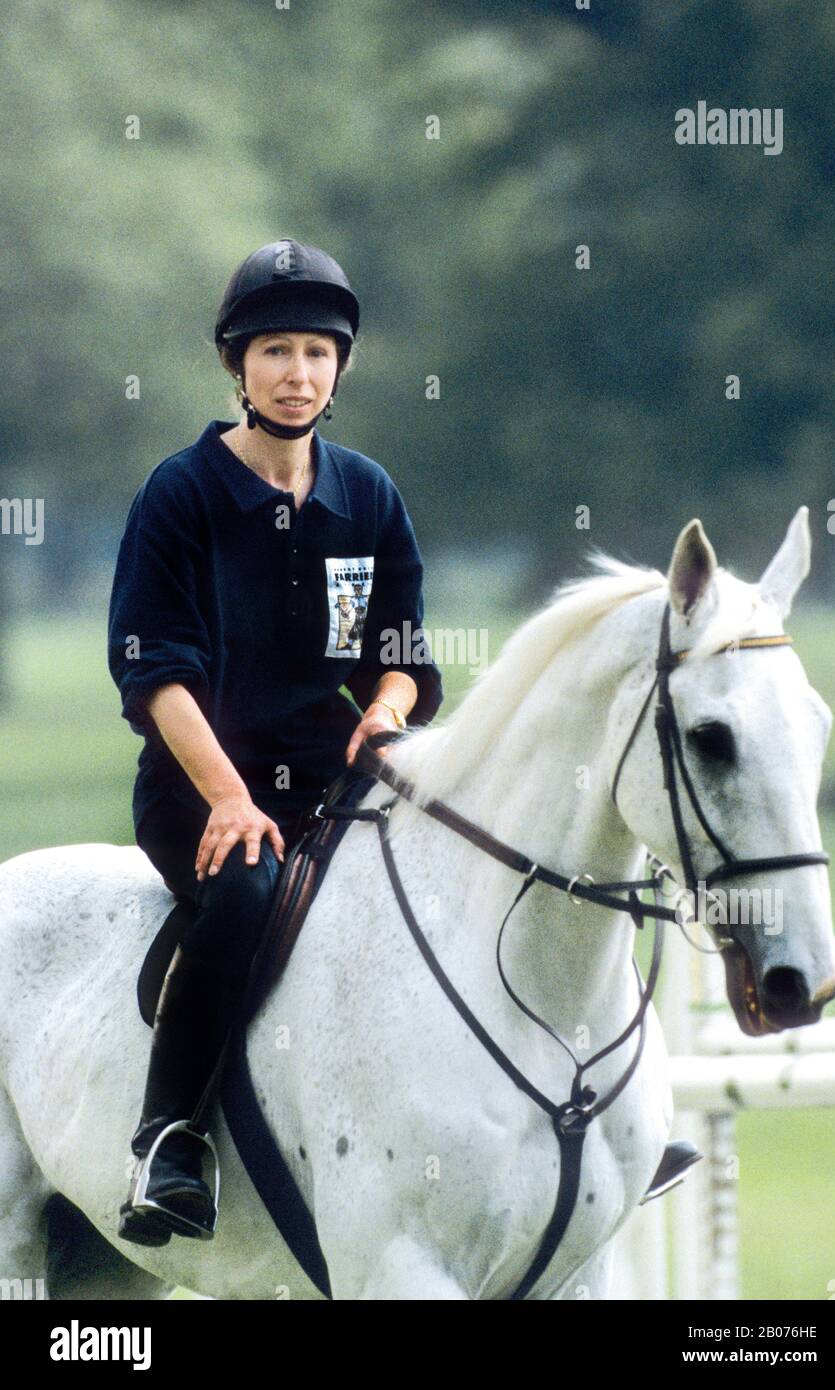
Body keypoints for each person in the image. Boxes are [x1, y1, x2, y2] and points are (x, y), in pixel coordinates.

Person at [108, 237, 444, 1246]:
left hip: (335, 776)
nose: (298, 374)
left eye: (317, 353)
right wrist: (226, 797)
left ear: (342, 367)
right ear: (235, 364)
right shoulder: (180, 495)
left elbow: (401, 654)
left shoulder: (368, 496)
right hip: (202, 787)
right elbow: (154, 673)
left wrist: (386, 710)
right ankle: (166, 1139)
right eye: (276, 352)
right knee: (251, 884)